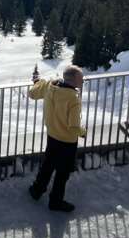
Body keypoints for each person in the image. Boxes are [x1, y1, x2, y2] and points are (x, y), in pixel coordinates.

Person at [26, 65, 86, 213]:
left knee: (48, 164)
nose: (83, 81)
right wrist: (83, 132)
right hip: (67, 141)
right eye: (81, 79)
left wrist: (38, 82)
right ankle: (56, 201)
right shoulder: (73, 99)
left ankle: (37, 190)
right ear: (73, 80)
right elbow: (73, 126)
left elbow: (32, 93)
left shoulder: (50, 85)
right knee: (63, 172)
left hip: (52, 135)